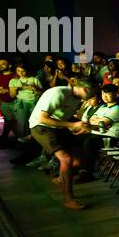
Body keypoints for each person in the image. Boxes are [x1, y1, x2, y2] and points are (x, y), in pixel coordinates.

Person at [28, 79, 95, 210]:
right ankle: (69, 199)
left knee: (78, 160)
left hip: (57, 127)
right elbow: (42, 118)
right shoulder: (58, 93)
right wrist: (73, 125)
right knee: (66, 159)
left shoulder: (77, 98)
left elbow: (65, 117)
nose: (93, 97)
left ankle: (61, 179)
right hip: (41, 127)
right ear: (85, 89)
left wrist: (83, 124)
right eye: (93, 93)